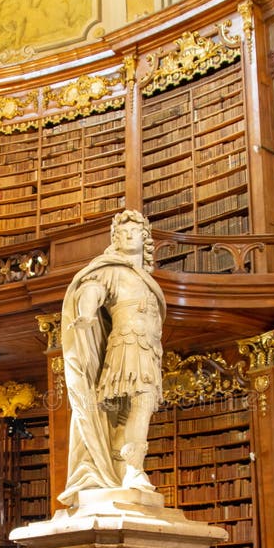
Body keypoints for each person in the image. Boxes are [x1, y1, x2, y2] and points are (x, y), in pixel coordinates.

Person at [58, 210, 166, 506]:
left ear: (145, 238)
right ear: (115, 238)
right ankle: (131, 469)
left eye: (135, 231)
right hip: (126, 346)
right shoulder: (110, 269)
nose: (129, 235)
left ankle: (124, 468)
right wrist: (86, 313)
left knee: (131, 410)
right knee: (136, 404)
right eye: (123, 232)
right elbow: (92, 287)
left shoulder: (145, 279)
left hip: (148, 348)